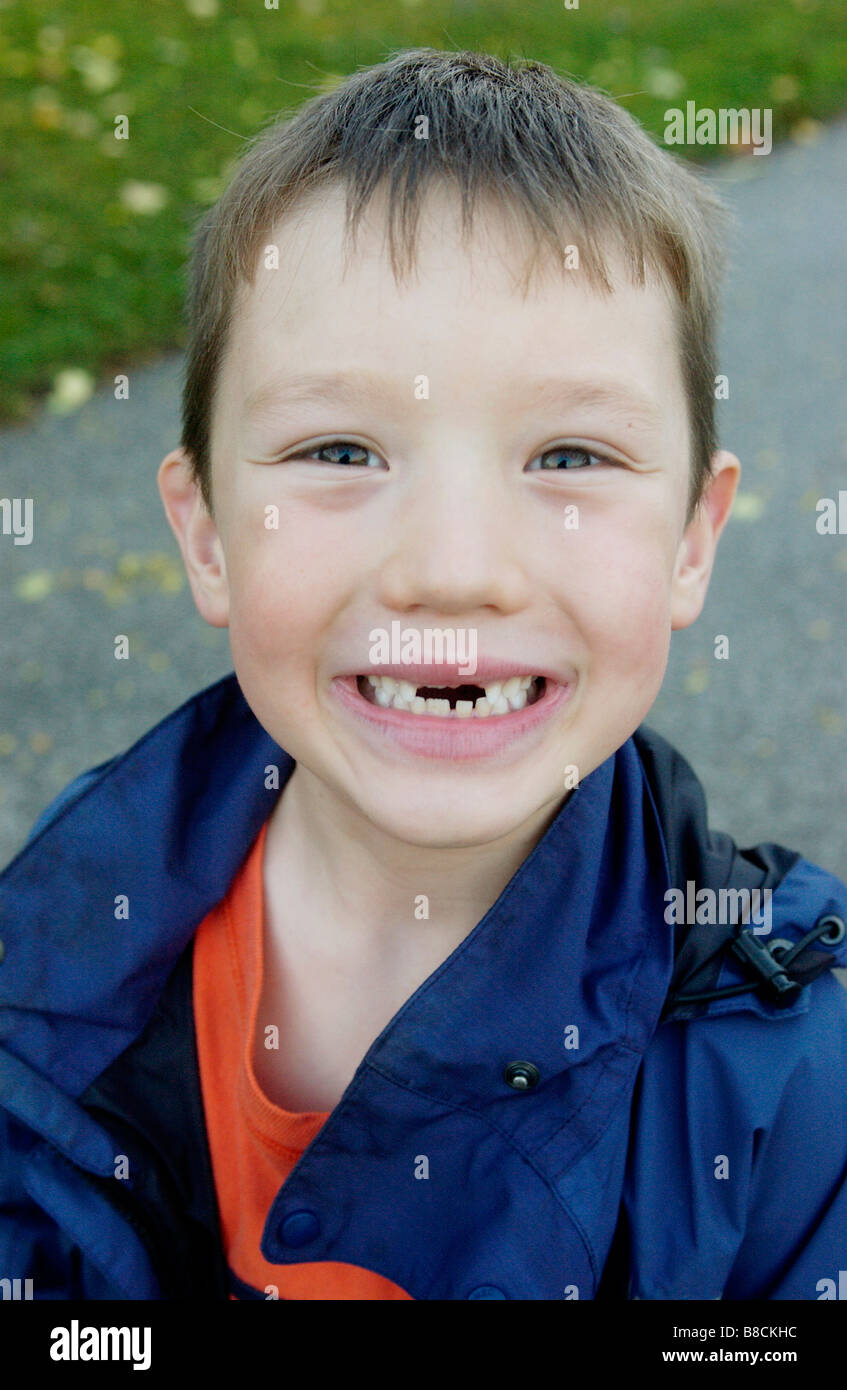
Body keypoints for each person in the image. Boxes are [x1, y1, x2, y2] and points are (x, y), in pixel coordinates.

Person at [1, 48, 845, 1302]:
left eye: (568, 455)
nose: (453, 570)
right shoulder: (45, 960)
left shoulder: (797, 1082)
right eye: (338, 447)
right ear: (207, 535)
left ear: (690, 541)